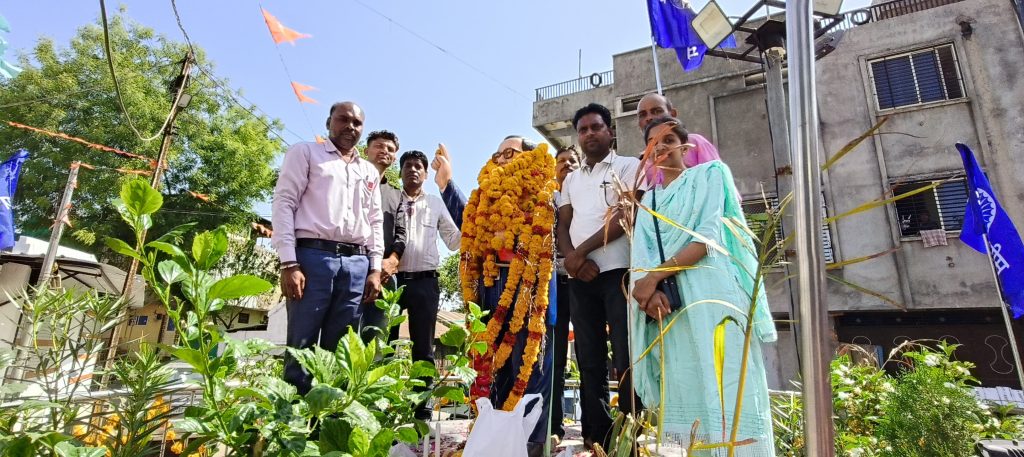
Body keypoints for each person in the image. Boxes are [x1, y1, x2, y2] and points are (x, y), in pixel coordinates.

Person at [630, 117, 777, 455]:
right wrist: (648, 291)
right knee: (682, 384)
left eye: (668, 140)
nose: (661, 148)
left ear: (686, 145)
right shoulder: (649, 202)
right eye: (653, 144)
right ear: (647, 156)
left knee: (727, 380)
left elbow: (707, 236)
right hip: (671, 308)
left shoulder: (711, 175)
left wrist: (654, 278)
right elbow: (642, 255)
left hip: (714, 295)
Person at [434, 137, 557, 456]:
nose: (501, 159)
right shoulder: (486, 196)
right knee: (492, 368)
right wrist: (446, 183)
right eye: (498, 154)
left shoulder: (545, 189)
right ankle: (494, 444)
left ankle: (529, 446)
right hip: (490, 288)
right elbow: (468, 224)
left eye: (509, 153)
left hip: (528, 289)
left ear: (529, 159)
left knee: (528, 372)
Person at [272, 101, 383, 395]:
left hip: (357, 265)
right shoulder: (306, 153)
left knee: (343, 348)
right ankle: (294, 425)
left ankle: (330, 427)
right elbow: (284, 203)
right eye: (343, 120)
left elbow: (374, 221)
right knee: (302, 346)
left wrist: (375, 268)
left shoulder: (369, 172)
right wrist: (289, 263)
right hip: (312, 258)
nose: (350, 127)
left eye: (357, 123)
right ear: (328, 122)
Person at [557, 103, 643, 450]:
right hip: (581, 279)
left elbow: (625, 216)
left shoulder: (629, 166)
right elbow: (563, 223)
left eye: (596, 127)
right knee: (589, 357)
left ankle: (630, 435)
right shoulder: (571, 180)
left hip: (618, 272)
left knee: (625, 356)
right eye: (583, 130)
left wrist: (581, 253)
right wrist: (573, 261)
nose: (589, 134)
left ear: (610, 131)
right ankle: (597, 433)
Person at [392, 149, 461, 419]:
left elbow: (454, 241)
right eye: (408, 166)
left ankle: (422, 410)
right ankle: (381, 405)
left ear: (426, 172)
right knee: (383, 344)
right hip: (391, 281)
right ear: (400, 172)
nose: (413, 170)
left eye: (419, 166)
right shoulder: (389, 199)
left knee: (423, 349)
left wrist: (478, 227)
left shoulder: (435, 203)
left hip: (425, 283)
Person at [359, 130, 407, 343]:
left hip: (385, 274)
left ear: (394, 156)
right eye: (378, 146)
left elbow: (401, 233)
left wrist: (393, 261)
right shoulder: (351, 180)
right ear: (365, 150)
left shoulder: (397, 195)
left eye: (390, 149)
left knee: (377, 340)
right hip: (352, 264)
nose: (384, 151)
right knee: (342, 334)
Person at [551, 145, 579, 441]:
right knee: (554, 356)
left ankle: (595, 428)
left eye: (573, 160)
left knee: (588, 353)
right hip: (553, 283)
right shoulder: (547, 198)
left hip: (584, 278)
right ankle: (554, 426)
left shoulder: (587, 193)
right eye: (561, 161)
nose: (567, 165)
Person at [637, 92, 723, 170]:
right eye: (643, 115)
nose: (649, 118)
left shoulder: (694, 143)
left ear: (673, 114)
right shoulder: (641, 163)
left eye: (657, 111)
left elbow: (716, 179)